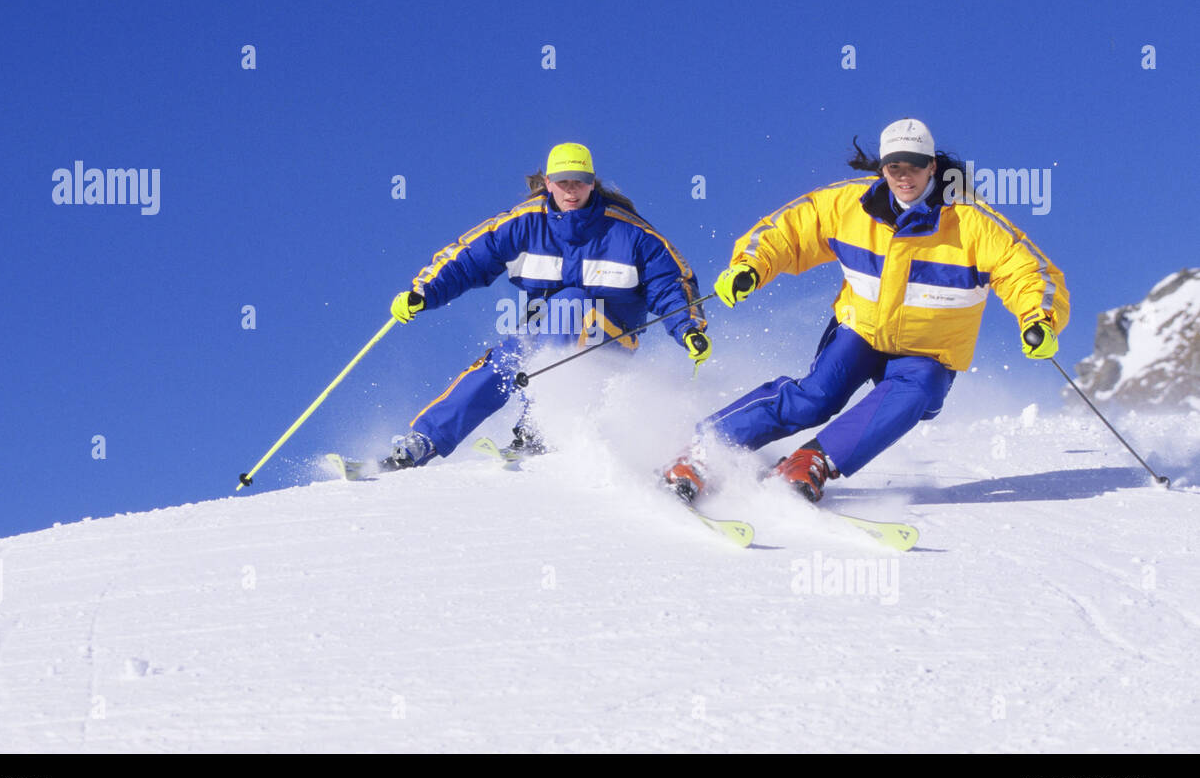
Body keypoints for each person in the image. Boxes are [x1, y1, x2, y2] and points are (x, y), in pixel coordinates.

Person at [663, 118, 1070, 503]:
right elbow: (790, 229)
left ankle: (810, 463)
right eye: (894, 166)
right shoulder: (850, 205)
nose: (904, 176)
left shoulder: (971, 223)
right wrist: (750, 267)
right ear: (883, 168)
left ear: (932, 166)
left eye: (914, 165)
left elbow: (1028, 271)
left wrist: (1039, 318)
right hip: (860, 329)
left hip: (927, 350)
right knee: (817, 397)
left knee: (920, 389)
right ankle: (703, 452)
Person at [384, 142, 710, 468]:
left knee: (570, 302)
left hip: (610, 341)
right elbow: (467, 259)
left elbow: (671, 283)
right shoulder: (525, 224)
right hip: (548, 329)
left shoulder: (629, 233)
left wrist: (689, 330)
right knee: (507, 357)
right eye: (563, 182)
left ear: (592, 182)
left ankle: (541, 425)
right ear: (548, 182)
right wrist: (423, 293)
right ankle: (426, 440)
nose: (572, 191)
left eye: (579, 182)